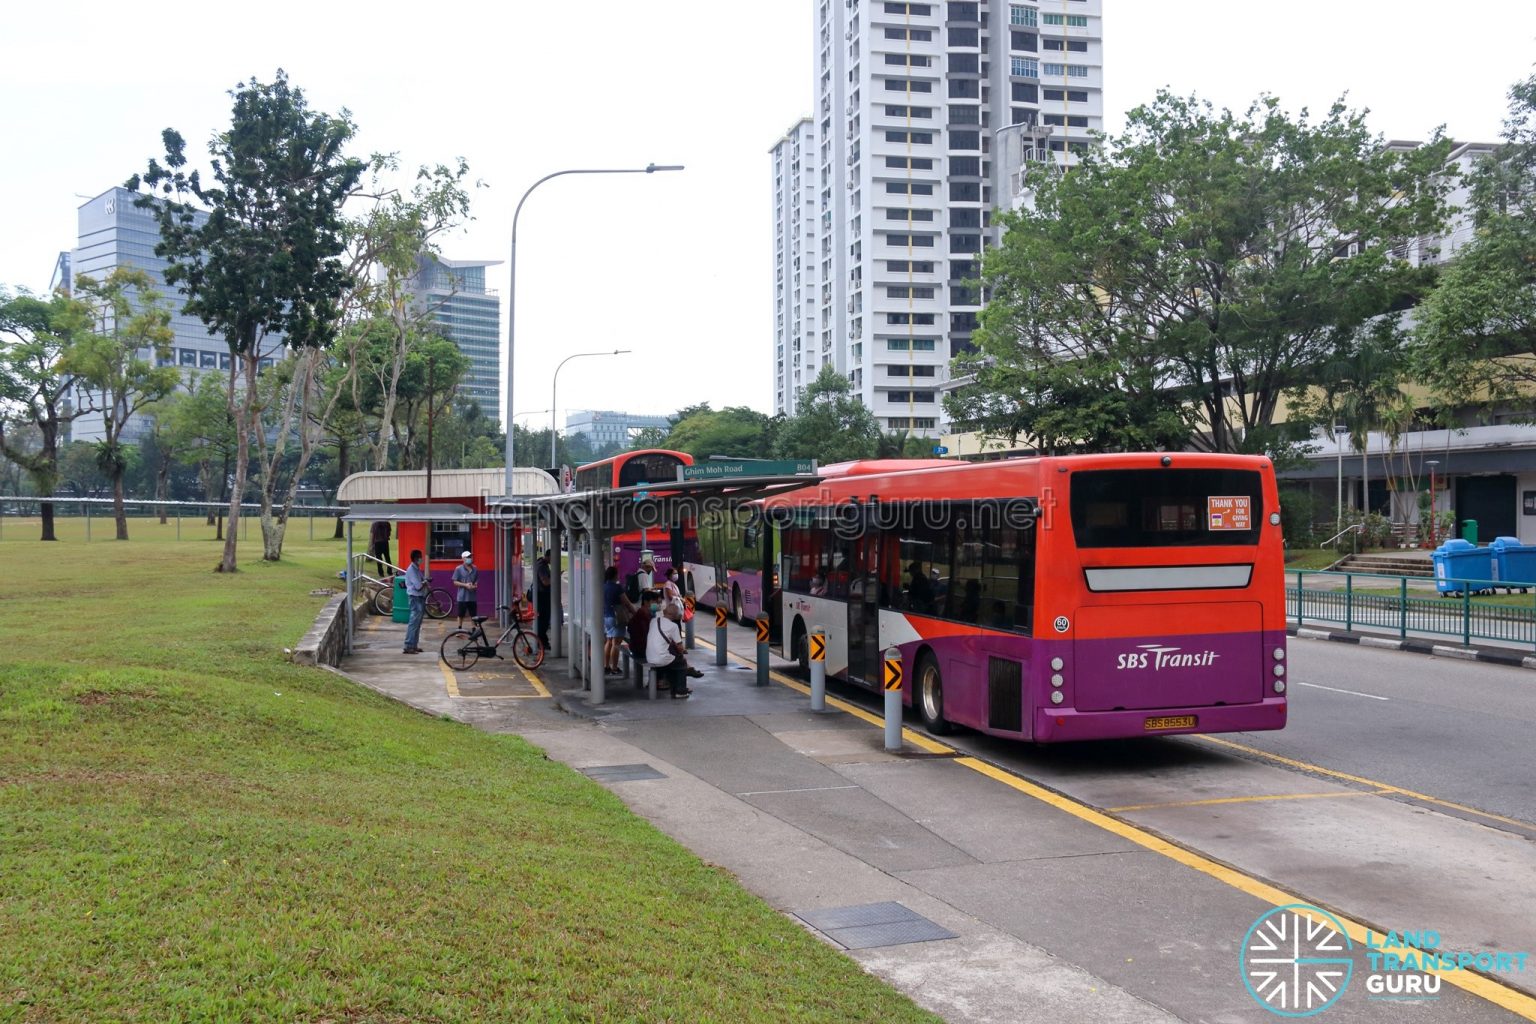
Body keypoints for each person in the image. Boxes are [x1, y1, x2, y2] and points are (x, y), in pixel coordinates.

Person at [647, 601, 693, 699]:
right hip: (660, 658)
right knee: (681, 662)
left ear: (664, 612)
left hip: (649, 656)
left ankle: (672, 687)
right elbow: (680, 647)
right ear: (675, 615)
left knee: (671, 660)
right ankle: (680, 691)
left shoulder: (654, 621)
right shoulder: (674, 626)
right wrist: (682, 653)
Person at [602, 565, 636, 676]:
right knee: (616, 643)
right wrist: (635, 613)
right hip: (617, 617)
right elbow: (626, 602)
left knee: (609, 641)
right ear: (615, 575)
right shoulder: (617, 588)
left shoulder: (603, 587)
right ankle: (614, 668)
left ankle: (606, 666)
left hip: (606, 616)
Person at [402, 549, 427, 654]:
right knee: (413, 623)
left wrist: (424, 581)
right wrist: (424, 583)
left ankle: (414, 645)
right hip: (415, 597)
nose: (422, 559)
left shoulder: (416, 568)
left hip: (419, 597)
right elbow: (418, 586)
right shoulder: (412, 570)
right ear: (416, 558)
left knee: (417, 623)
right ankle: (408, 645)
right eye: (420, 557)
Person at [452, 550, 479, 629]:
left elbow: (476, 580)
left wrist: (475, 585)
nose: (470, 558)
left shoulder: (475, 568)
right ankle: (459, 629)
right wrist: (465, 585)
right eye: (468, 557)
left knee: (473, 614)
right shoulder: (458, 569)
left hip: (472, 596)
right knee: (460, 614)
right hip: (462, 596)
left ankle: (473, 629)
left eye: (470, 557)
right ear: (463, 559)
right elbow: (455, 582)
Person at [535, 549, 553, 650]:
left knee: (544, 620)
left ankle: (542, 641)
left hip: (543, 595)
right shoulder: (541, 566)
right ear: (548, 556)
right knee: (543, 621)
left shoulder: (544, 565)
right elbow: (545, 582)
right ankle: (541, 642)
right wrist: (554, 578)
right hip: (542, 596)